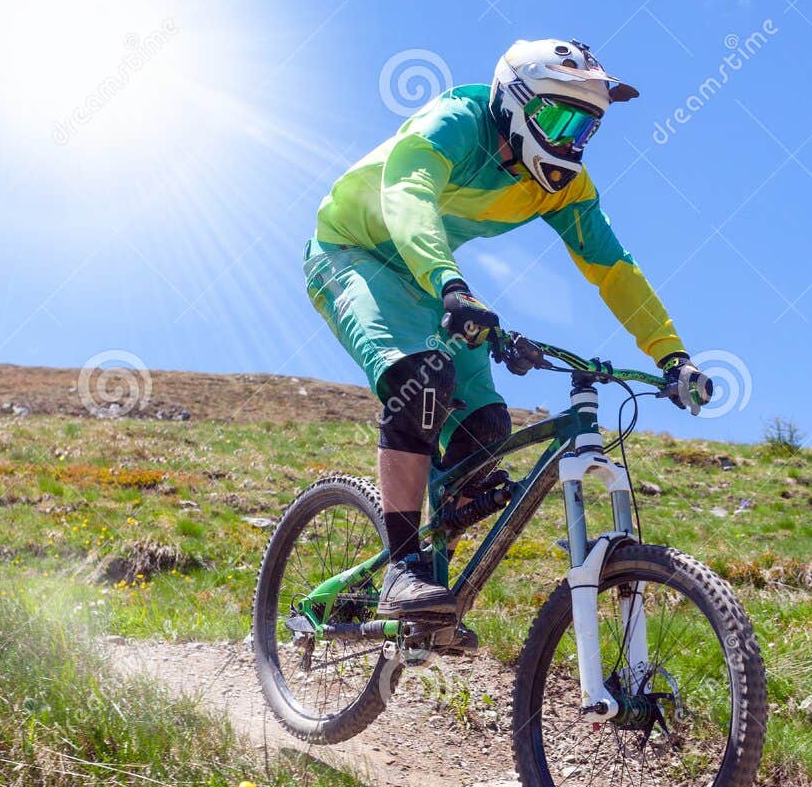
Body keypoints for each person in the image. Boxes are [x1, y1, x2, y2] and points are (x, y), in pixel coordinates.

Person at [304, 38, 709, 619]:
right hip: (354, 253)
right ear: (515, 102)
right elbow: (408, 195)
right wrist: (451, 286)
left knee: (486, 427)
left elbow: (614, 269)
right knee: (421, 379)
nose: (571, 141)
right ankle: (400, 571)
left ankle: (426, 583)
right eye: (560, 118)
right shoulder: (454, 124)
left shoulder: (565, 187)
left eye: (586, 128)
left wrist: (673, 356)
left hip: (433, 279)